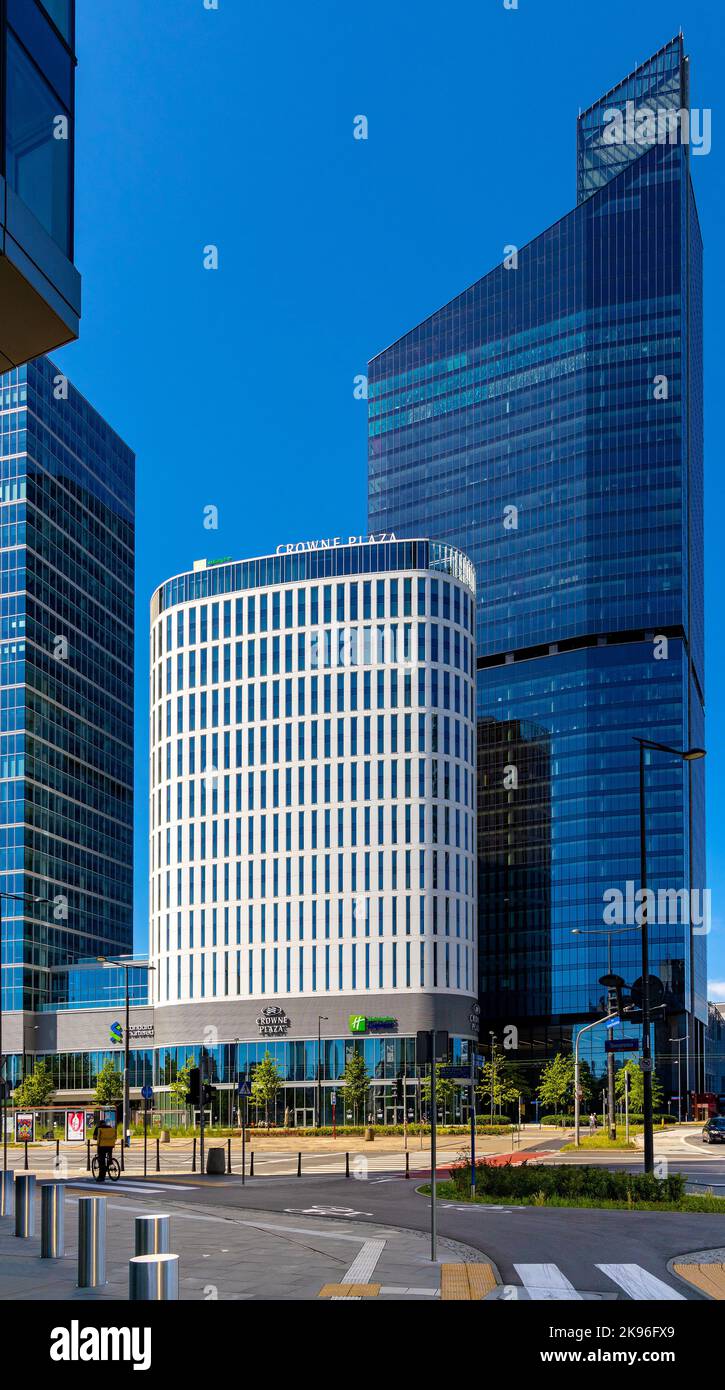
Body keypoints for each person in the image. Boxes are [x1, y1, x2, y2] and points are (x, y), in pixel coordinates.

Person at [92, 1114, 117, 1183]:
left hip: (101, 1146)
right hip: (110, 1146)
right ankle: (110, 1163)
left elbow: (94, 1137)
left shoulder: (98, 1128)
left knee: (101, 1161)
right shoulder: (110, 1127)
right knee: (109, 1157)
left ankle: (101, 1177)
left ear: (99, 1124)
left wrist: (96, 1139)